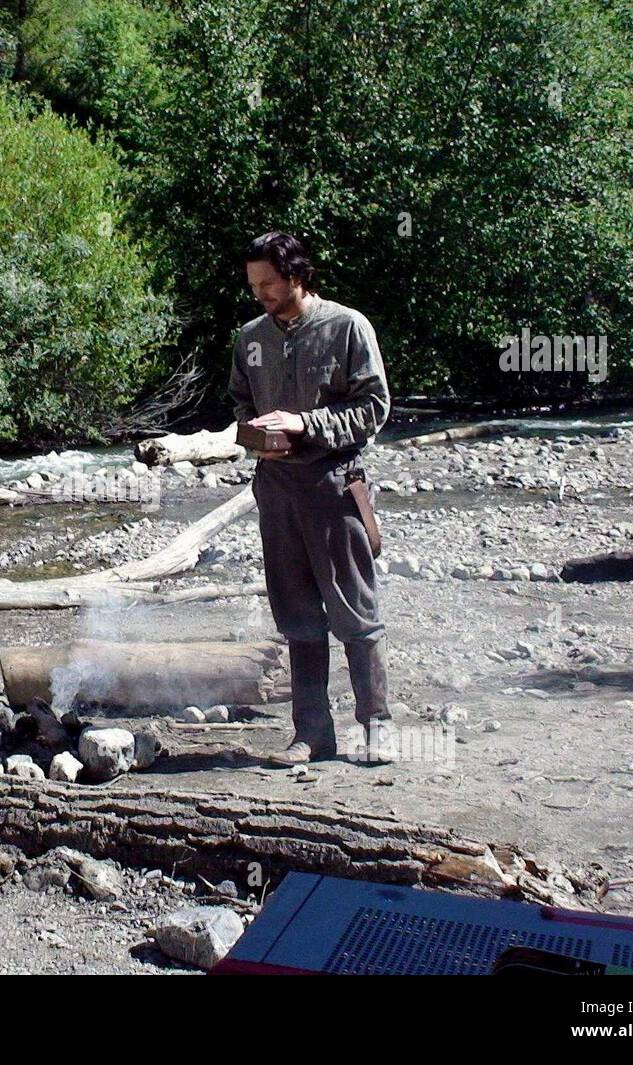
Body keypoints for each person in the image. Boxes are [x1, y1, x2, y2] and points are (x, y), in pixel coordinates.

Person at [228, 231, 396, 765]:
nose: (261, 295)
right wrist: (254, 434)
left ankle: (377, 729)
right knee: (297, 615)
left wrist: (305, 423)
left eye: (269, 284)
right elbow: (239, 401)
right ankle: (311, 735)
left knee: (356, 611)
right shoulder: (250, 336)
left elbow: (374, 408)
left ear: (297, 275)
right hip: (276, 490)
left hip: (334, 485)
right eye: (254, 285)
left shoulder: (347, 326)